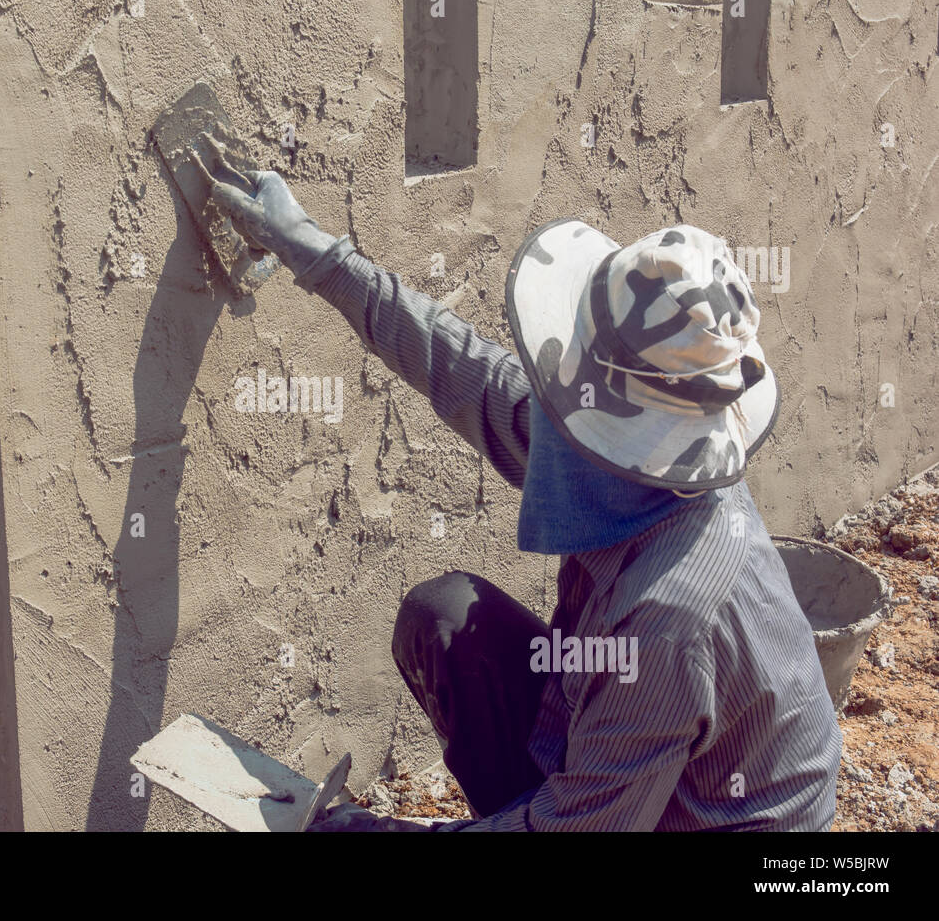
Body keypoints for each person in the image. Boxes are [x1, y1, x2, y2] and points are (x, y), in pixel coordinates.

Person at [193, 139, 842, 831]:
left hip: (706, 820)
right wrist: (315, 251)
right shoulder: (651, 457)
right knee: (445, 622)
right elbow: (466, 372)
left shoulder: (667, 621)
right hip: (648, 763)